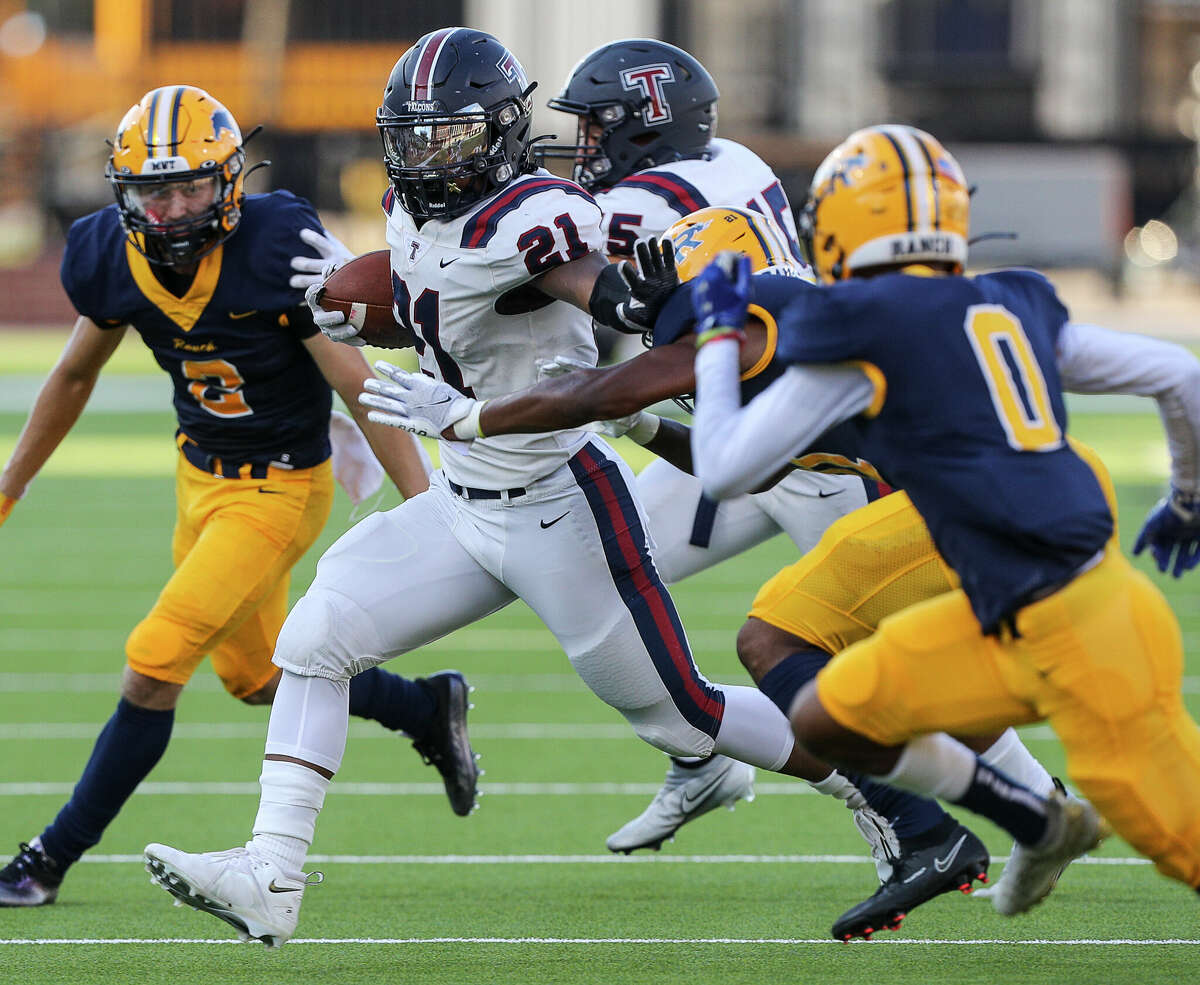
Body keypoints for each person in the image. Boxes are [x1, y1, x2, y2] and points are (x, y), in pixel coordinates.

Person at [140, 30, 825, 949]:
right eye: (413, 135)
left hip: (556, 498)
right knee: (315, 634)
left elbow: (597, 294)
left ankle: (879, 789)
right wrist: (355, 314)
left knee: (681, 710)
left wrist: (636, 294)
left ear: (500, 131)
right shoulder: (406, 205)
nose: (428, 155)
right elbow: (440, 311)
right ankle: (271, 873)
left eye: (450, 135)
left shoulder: (533, 213)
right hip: (462, 502)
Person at [362, 204, 1108, 939]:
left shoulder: (754, 313)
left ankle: (923, 828)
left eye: (675, 292)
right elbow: (755, 468)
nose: (662, 314)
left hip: (976, 502)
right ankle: (1039, 818)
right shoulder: (783, 321)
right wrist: (646, 428)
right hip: (1006, 495)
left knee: (774, 639)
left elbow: (602, 388)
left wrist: (468, 417)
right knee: (920, 680)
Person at [684, 123, 1200, 924]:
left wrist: (716, 334)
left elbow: (723, 467)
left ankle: (1043, 819)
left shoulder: (864, 333)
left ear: (842, 223)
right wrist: (1192, 500)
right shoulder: (1008, 301)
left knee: (1187, 847)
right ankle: (1037, 819)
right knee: (828, 714)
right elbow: (1178, 373)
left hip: (1089, 637)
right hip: (1002, 620)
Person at [0, 85, 480, 908]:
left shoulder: (273, 246)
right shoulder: (110, 257)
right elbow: (75, 372)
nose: (176, 206)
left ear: (229, 181)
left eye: (191, 185)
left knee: (153, 665)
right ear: (126, 193)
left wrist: (430, 505)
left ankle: (47, 857)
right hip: (198, 479)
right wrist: (9, 486)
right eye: (157, 190)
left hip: (283, 488)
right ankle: (425, 706)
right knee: (258, 674)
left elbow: (356, 381)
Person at [535, 38, 937, 868]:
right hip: (734, 426)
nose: (583, 146)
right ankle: (699, 753)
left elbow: (556, 282)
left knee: (892, 665)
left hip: (812, 455)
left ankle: (1037, 802)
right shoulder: (732, 160)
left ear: (644, 128)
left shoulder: (645, 203)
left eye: (597, 127)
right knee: (598, 569)